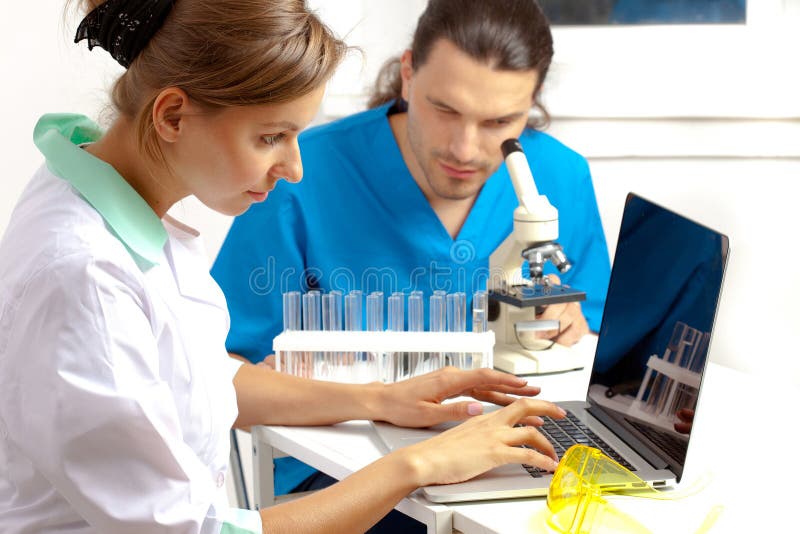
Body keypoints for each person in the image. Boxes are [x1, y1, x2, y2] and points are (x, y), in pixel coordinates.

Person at [0, 1, 569, 532]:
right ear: (172, 115)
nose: (295, 169)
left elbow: (200, 378)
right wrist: (418, 465)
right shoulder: (87, 275)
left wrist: (380, 399)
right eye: (271, 136)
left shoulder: (102, 195)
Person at [211, 0, 612, 502]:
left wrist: (567, 322)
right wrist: (372, 401)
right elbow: (215, 372)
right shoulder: (299, 174)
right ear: (407, 75)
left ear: (530, 103)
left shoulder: (559, 175)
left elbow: (597, 345)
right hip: (339, 477)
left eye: (499, 122)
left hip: (512, 462)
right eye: (446, 110)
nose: (465, 149)